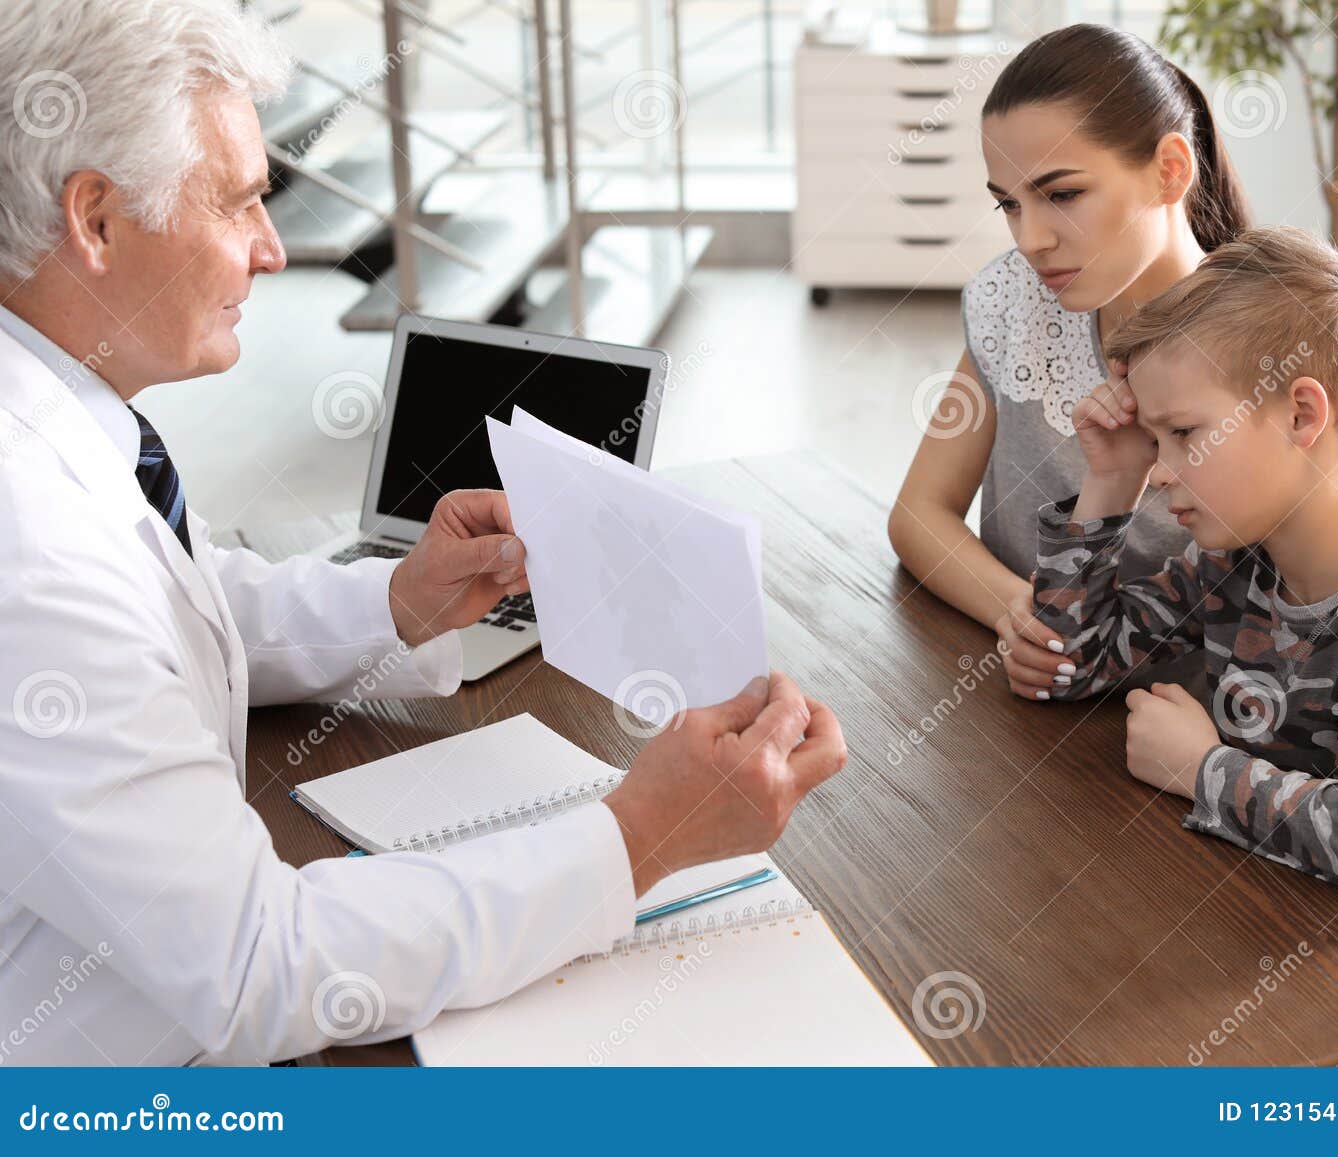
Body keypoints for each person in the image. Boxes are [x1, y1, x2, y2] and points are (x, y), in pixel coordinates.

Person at [0, 0, 845, 1064]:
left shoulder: (57, 413)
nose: (270, 249)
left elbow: (174, 596)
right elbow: (264, 965)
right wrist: (643, 834)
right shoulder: (26, 541)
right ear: (95, 217)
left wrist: (400, 601)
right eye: (239, 203)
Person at [886, 23, 1338, 702]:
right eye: (1009, 204)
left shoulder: (1289, 334)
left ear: (1171, 169)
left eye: (1062, 195)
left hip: (1214, 741)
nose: (1030, 238)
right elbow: (918, 512)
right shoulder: (1015, 302)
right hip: (1040, 701)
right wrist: (1018, 613)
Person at [1032, 227, 1338, 953]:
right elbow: (1067, 661)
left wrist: (1203, 772)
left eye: (1184, 434)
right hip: (1278, 919)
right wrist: (1109, 482)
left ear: (1302, 415)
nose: (1161, 471)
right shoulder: (1243, 556)